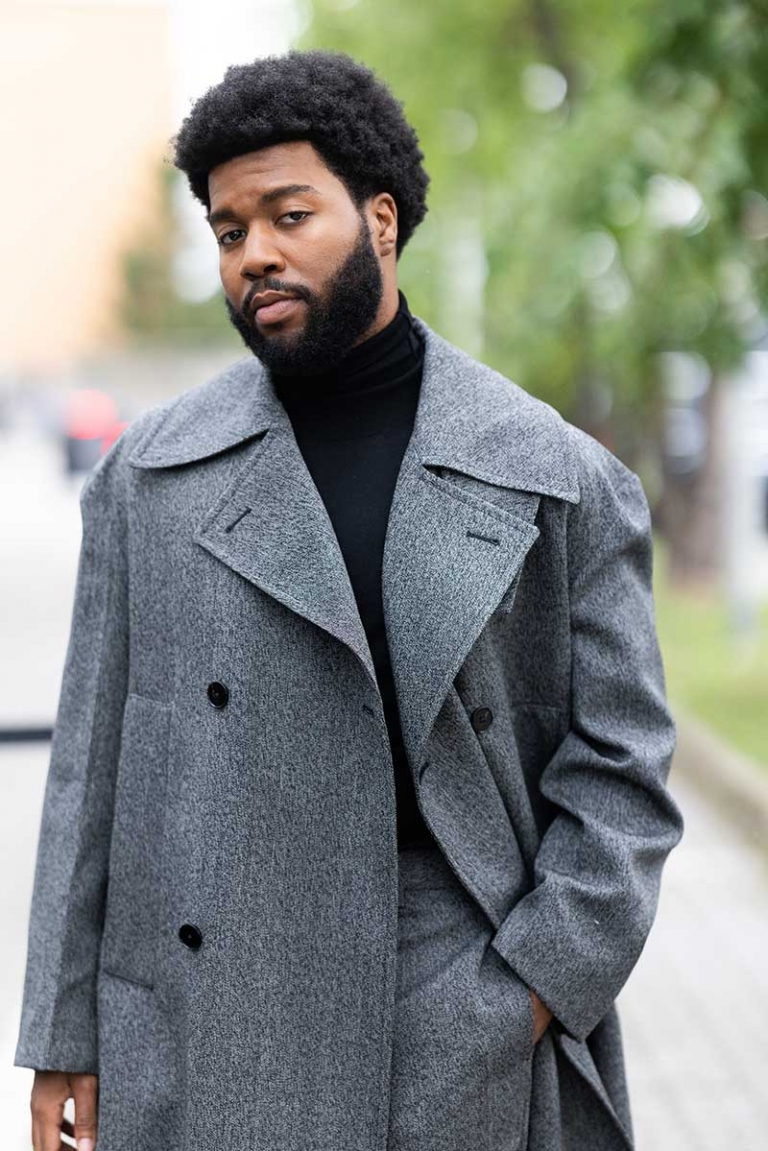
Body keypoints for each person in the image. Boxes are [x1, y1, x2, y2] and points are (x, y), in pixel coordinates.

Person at [15, 48, 683, 1151]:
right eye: (230, 233)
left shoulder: (551, 473)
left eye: (288, 214)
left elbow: (623, 777)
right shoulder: (148, 476)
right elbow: (89, 774)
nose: (256, 256)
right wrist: (61, 1031)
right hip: (198, 1015)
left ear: (380, 219)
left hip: (450, 1001)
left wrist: (530, 986)